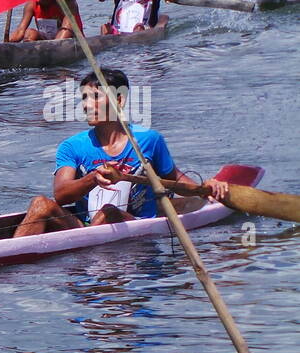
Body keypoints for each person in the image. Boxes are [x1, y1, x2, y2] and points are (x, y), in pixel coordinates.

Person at [12, 68, 226, 237]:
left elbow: (177, 181)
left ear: (119, 100)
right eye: (84, 98)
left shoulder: (149, 141)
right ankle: (13, 262)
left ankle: (84, 247)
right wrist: (91, 179)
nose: (87, 105)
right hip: (84, 228)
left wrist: (206, 188)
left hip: (134, 225)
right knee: (40, 204)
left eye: (95, 97)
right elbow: (60, 194)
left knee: (109, 211)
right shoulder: (71, 146)